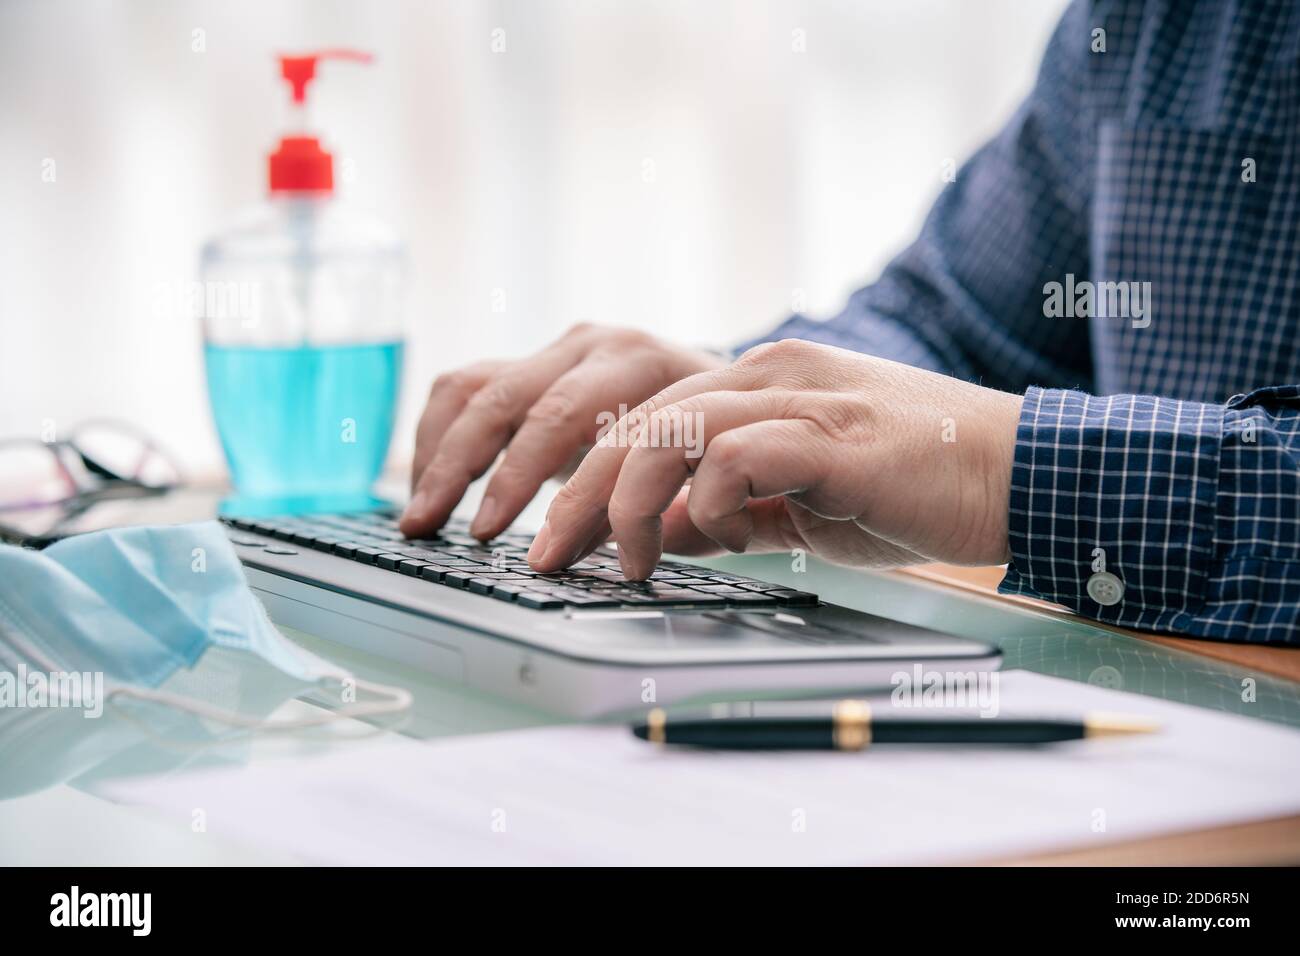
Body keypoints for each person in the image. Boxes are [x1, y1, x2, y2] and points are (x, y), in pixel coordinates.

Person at [401, 0, 1299, 646]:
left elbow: (975, 433)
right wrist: (751, 399)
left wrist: (1001, 474)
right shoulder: (1159, 20)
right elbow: (957, 324)